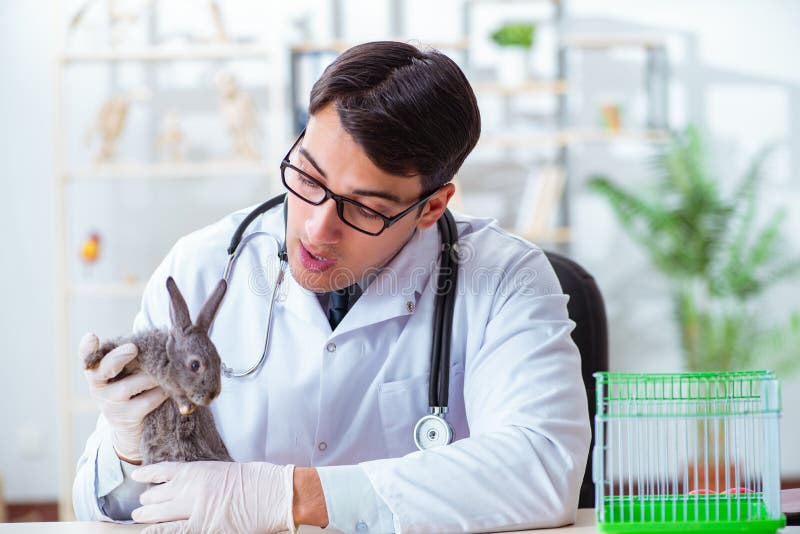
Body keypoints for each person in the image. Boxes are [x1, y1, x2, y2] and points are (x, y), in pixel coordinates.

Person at [73, 41, 590, 533]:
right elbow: (108, 505)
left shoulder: (506, 278)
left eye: (365, 208)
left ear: (432, 206)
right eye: (308, 178)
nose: (318, 228)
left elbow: (543, 466)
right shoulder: (201, 266)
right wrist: (127, 445)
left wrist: (294, 496)